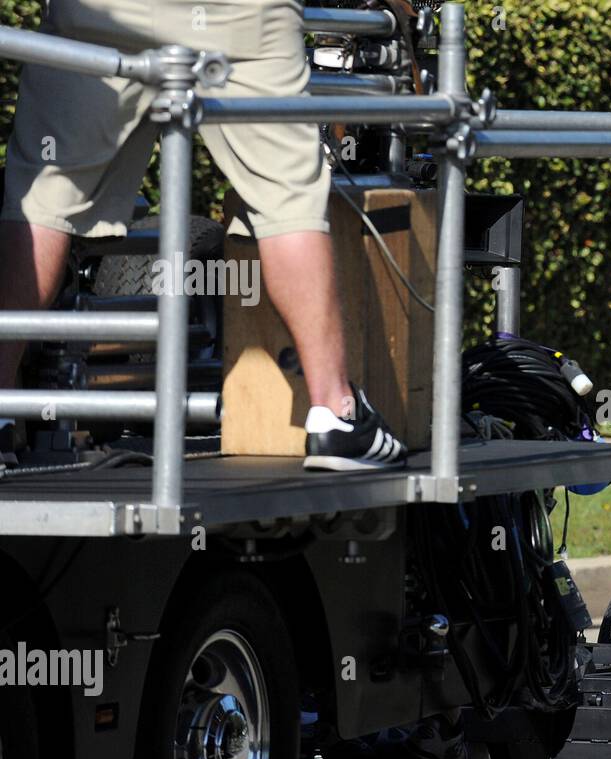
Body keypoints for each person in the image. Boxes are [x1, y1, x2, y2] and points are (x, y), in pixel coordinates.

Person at [0, 0, 406, 471]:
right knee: (288, 202)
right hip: (240, 16)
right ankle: (336, 415)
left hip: (100, 11)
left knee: (42, 203)